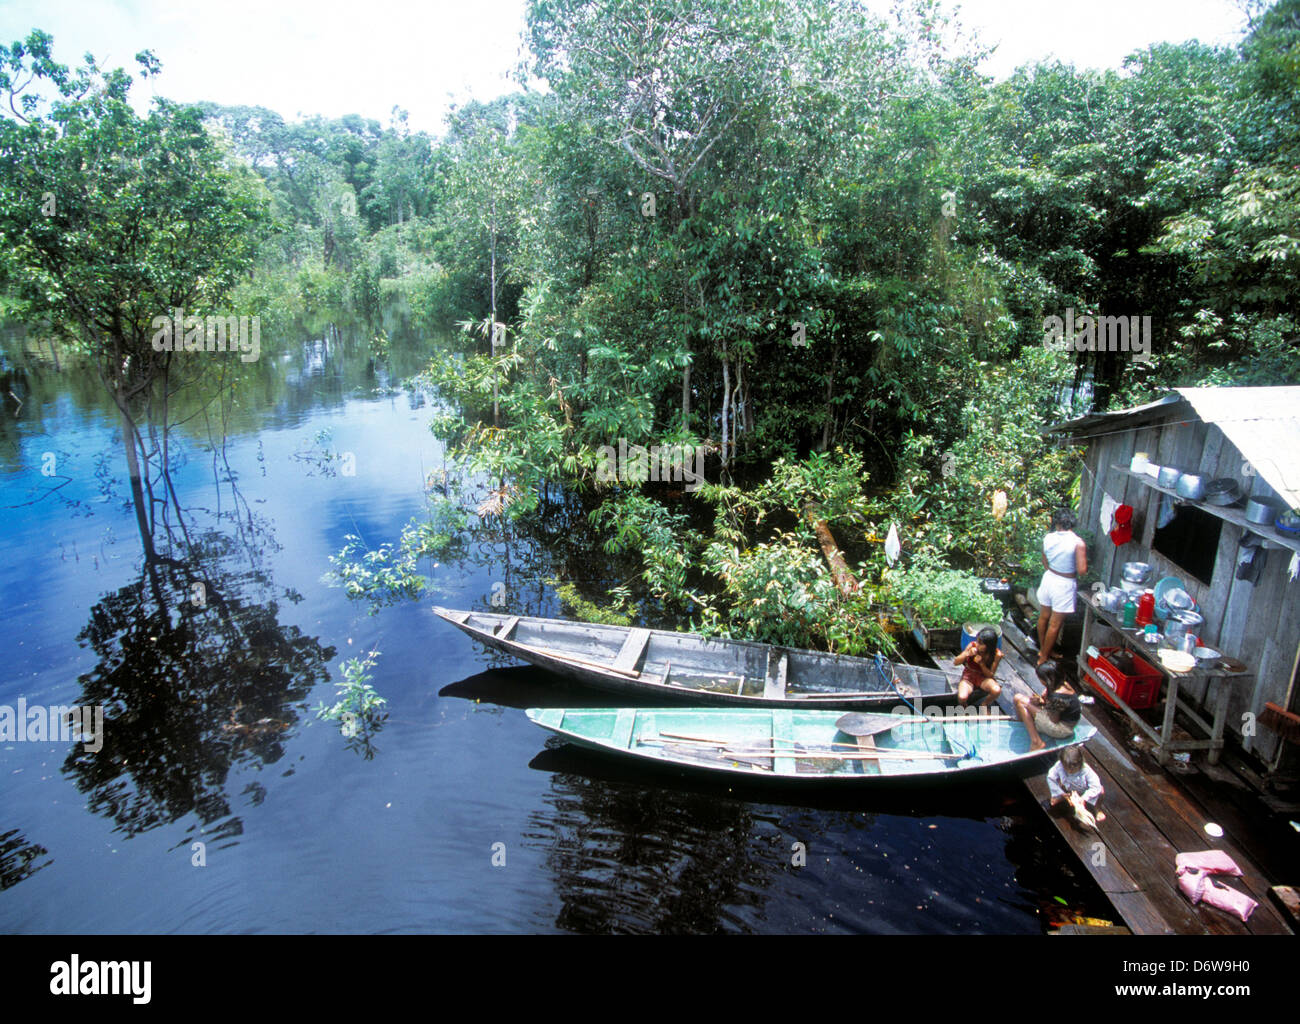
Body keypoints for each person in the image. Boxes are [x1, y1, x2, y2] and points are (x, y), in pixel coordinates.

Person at [1035, 508, 1086, 667]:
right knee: (1055, 624)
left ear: (1056, 522)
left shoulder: (1048, 537)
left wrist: (1051, 569)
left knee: (1044, 617)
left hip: (1049, 578)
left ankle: (1044, 649)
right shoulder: (1078, 542)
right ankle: (1043, 657)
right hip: (1064, 583)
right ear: (1072, 523)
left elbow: (1044, 557)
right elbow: (1082, 570)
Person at [1015, 660, 1080, 751]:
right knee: (1017, 698)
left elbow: (1053, 719)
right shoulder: (1062, 683)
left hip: (1062, 729)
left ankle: (1036, 741)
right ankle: (1026, 723)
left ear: (1046, 680)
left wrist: (1041, 704)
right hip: (1062, 720)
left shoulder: (1058, 696)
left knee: (1021, 703)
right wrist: (1041, 701)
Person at [1047, 744, 1105, 823]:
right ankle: (1064, 797)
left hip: (1084, 790)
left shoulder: (1087, 771)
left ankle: (1097, 809)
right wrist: (1060, 793)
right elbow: (1051, 777)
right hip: (1067, 787)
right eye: (1066, 768)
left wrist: (1083, 798)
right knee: (1053, 800)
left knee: (1101, 791)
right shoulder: (1059, 766)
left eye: (1073, 769)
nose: (1069, 771)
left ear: (1080, 763)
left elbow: (1096, 787)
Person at [953, 626, 1003, 707]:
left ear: (988, 646)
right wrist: (967, 654)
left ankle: (984, 704)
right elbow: (956, 662)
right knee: (962, 697)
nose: (977, 645)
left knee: (996, 690)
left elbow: (990, 675)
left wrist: (981, 664)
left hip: (983, 678)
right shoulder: (972, 646)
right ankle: (965, 708)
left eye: (981, 644)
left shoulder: (996, 654)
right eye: (977, 641)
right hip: (969, 676)